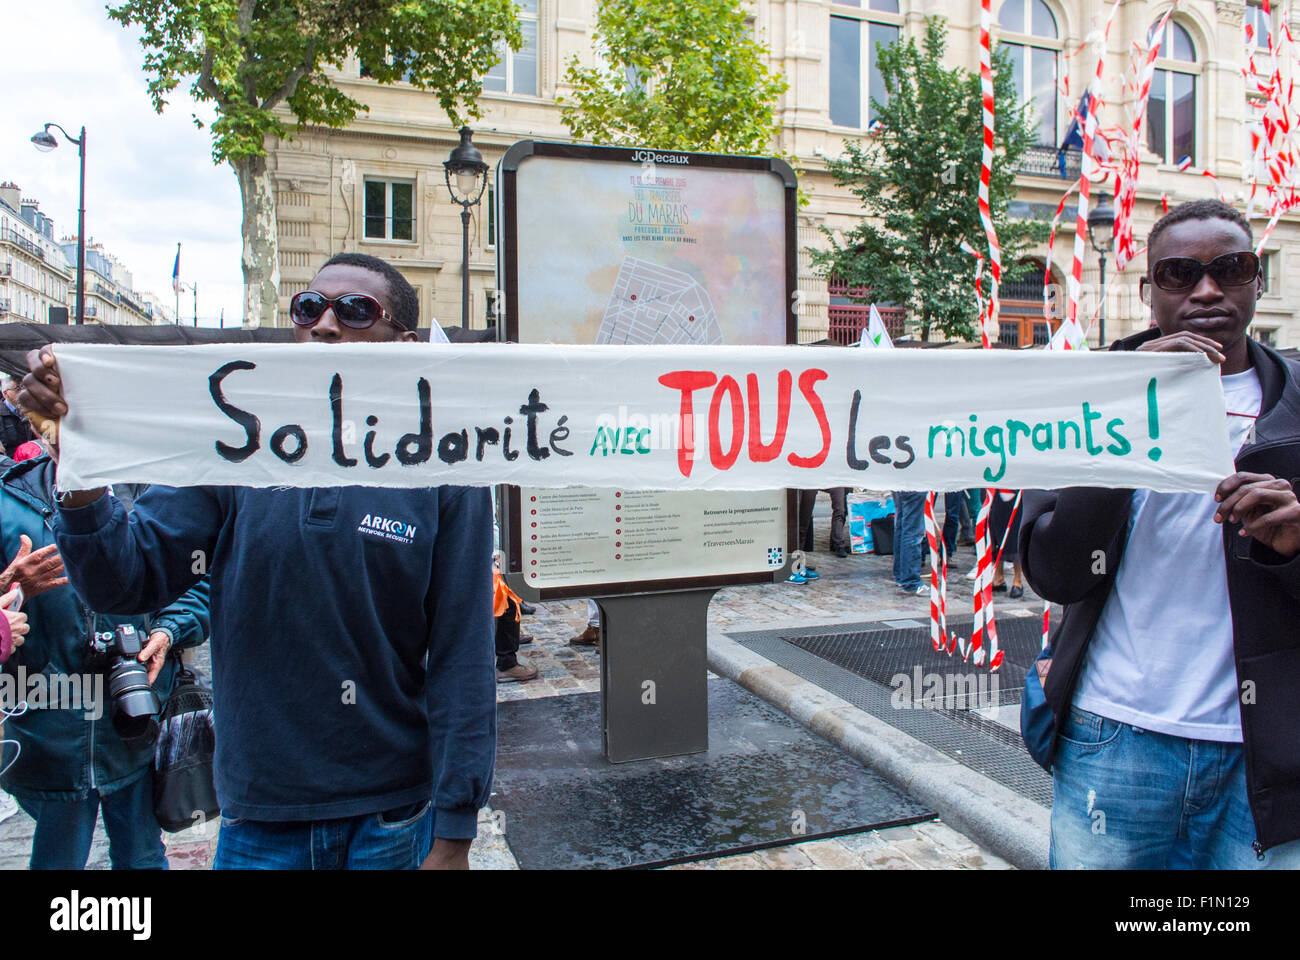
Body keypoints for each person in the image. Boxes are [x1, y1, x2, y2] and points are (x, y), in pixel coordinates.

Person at [21, 252, 497, 870]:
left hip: (393, 812)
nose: (324, 324)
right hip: (260, 816)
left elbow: (464, 652)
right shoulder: (235, 445)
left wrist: (456, 829)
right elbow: (125, 580)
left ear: (402, 343)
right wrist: (80, 471)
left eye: (355, 311)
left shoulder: (445, 468)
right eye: (309, 307)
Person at [1020, 199, 1300, 869]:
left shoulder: (1294, 405)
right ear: (1148, 292)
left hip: (1267, 750)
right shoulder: (1087, 397)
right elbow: (1052, 571)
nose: (1207, 291)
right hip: (1116, 737)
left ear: (1257, 280)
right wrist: (1129, 410)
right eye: (1179, 274)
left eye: (1229, 269)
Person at [0, 451, 210, 870]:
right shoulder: (10, 502)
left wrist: (167, 631)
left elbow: (201, 582)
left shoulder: (155, 490)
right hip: (51, 732)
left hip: (137, 721)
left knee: (144, 855)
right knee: (59, 858)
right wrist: (12, 592)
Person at [0, 378, 35, 457]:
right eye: (17, 389)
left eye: (23, 388)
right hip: (12, 463)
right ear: (6, 393)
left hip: (34, 456)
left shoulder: (31, 409)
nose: (22, 392)